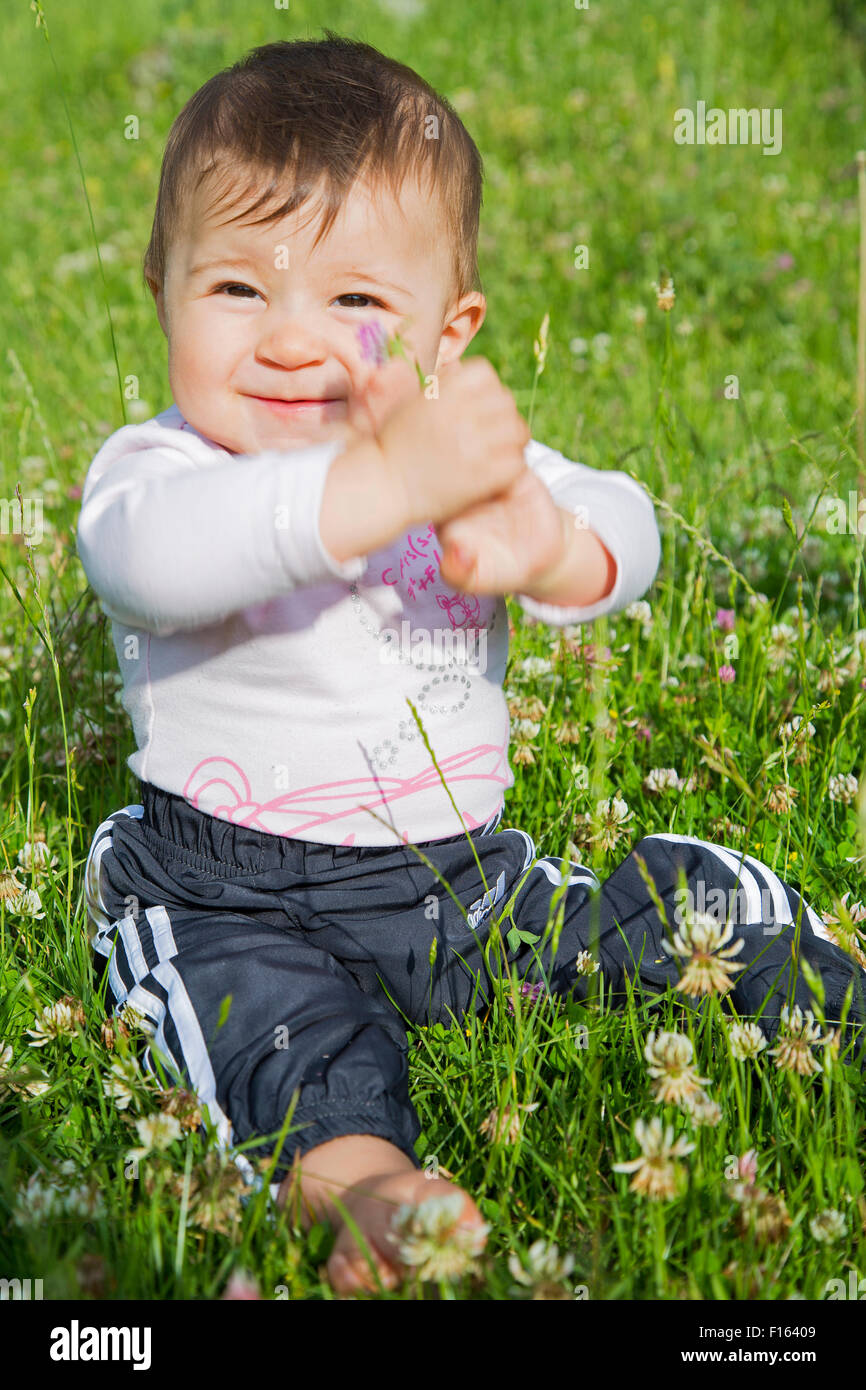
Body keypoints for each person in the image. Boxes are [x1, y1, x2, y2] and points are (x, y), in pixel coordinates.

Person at [77, 34, 865, 1295]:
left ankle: (811, 976)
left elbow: (627, 517)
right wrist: (366, 487)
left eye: (353, 302)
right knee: (272, 1039)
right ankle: (371, 1190)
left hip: (458, 876)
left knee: (646, 921)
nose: (289, 341)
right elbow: (149, 563)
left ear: (450, 330)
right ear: (160, 287)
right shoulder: (164, 470)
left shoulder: (450, 454)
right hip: (228, 887)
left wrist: (549, 544)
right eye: (235, 289)